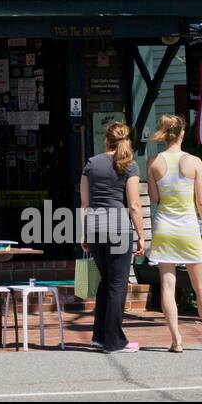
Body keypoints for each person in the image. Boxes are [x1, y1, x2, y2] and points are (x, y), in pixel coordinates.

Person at [147, 114, 202, 352]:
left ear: (165, 135)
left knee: (167, 284)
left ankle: (176, 341)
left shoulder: (154, 162)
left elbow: (154, 199)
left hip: (164, 225)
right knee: (201, 286)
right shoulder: (194, 162)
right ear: (182, 133)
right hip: (187, 226)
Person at [79, 121, 145, 353]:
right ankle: (115, 340)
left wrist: (84, 232)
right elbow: (135, 205)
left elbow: (85, 203)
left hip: (95, 227)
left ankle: (99, 337)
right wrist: (141, 235)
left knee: (105, 281)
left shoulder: (91, 164)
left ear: (106, 139)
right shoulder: (130, 165)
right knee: (117, 284)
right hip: (118, 227)